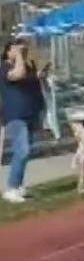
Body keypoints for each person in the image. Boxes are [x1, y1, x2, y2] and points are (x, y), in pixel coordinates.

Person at [1, 40, 46, 204]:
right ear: (8, 52)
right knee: (22, 150)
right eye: (19, 49)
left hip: (30, 114)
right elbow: (18, 74)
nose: (24, 52)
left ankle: (18, 186)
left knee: (25, 152)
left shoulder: (27, 67)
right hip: (15, 116)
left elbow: (34, 87)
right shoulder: (4, 67)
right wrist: (18, 55)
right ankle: (11, 188)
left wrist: (39, 75)